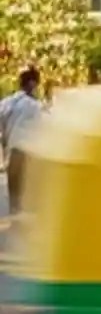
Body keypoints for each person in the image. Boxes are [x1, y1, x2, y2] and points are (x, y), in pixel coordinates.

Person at [0, 68, 43, 214]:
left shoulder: (6, 103)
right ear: (32, 83)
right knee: (27, 195)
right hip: (29, 153)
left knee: (14, 194)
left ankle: (15, 218)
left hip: (11, 151)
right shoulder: (35, 106)